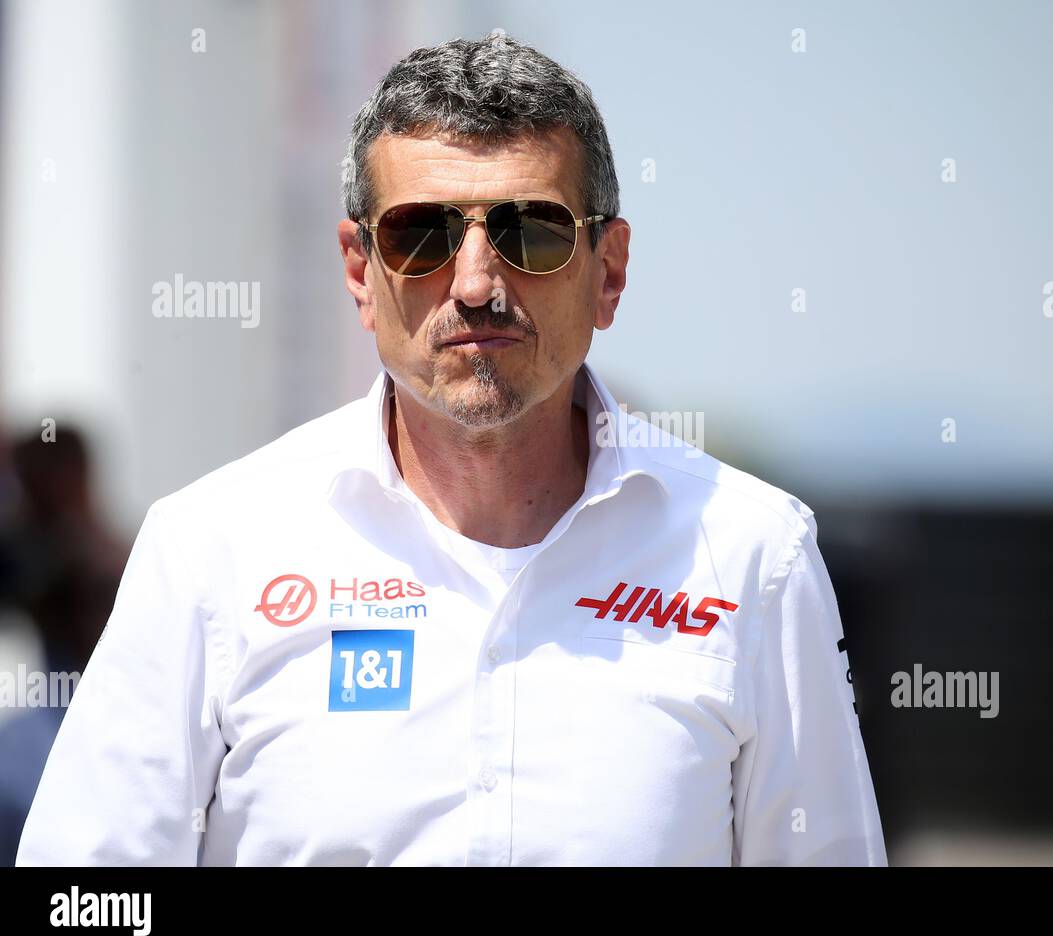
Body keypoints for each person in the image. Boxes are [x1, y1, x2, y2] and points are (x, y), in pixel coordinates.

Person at [16, 32, 885, 866]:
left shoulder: (753, 556)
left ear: (608, 271)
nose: (474, 283)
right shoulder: (209, 549)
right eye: (420, 234)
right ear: (361, 270)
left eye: (531, 233)